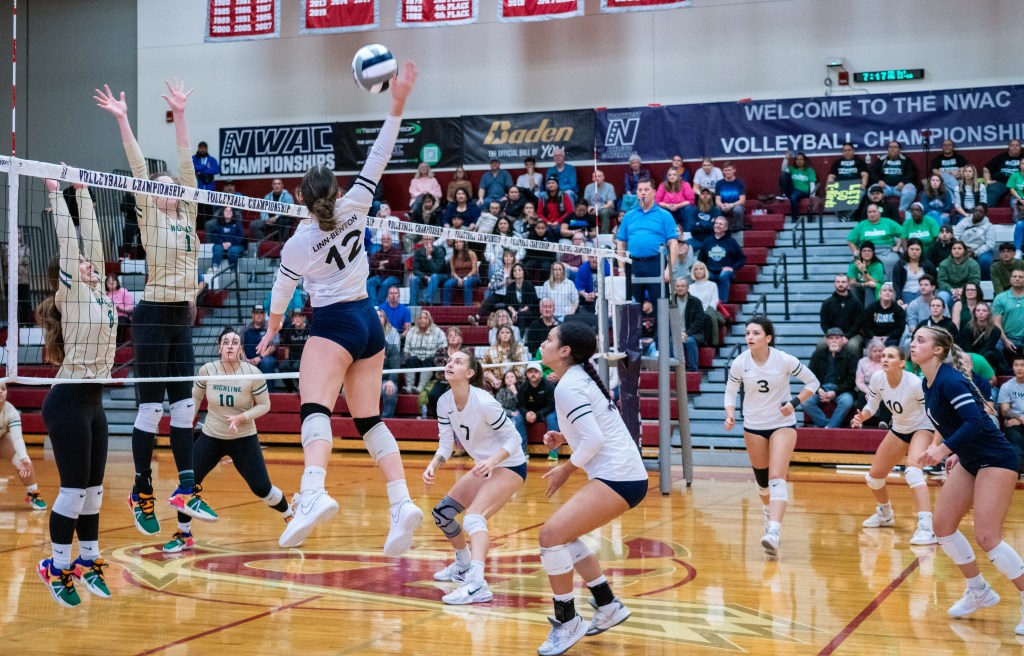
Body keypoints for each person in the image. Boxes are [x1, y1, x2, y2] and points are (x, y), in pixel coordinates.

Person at [257, 61, 422, 552]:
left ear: (303, 199)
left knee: (314, 408)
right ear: (334, 192)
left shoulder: (297, 243)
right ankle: (401, 503)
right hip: (369, 321)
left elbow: (282, 297)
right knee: (369, 420)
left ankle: (312, 494)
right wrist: (397, 102)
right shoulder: (357, 204)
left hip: (332, 324)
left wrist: (270, 332)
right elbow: (380, 153)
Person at [96, 79, 216, 535]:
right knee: (150, 411)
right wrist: (124, 120)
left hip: (179, 318)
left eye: (172, 186)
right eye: (162, 186)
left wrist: (181, 114)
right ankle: (141, 488)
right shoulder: (149, 212)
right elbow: (139, 167)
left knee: (185, 409)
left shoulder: (187, 213)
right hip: (150, 314)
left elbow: (186, 165)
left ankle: (186, 486)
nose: (169, 188)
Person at [534, 322, 649, 654]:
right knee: (564, 537)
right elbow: (595, 430)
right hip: (624, 474)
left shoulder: (569, 386)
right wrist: (564, 437)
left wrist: (566, 469)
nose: (544, 342)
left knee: (550, 536)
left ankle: (568, 621)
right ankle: (607, 604)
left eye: (550, 339)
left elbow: (596, 439)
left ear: (565, 351)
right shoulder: (576, 379)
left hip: (619, 476)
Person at [35, 179, 116, 607]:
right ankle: (56, 566)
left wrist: (83, 192)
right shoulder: (72, 294)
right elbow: (71, 241)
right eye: (81, 262)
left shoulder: (100, 292)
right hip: (67, 401)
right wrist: (56, 193)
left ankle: (88, 561)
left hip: (93, 402)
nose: (88, 262)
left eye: (89, 262)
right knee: (72, 491)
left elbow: (94, 240)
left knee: (94, 490)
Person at [913, 325, 1024, 634]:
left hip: (997, 459)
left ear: (937, 350)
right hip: (971, 459)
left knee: (987, 536)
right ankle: (979, 591)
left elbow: (977, 421)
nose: (913, 344)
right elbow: (953, 423)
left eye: (920, 340)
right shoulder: (928, 382)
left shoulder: (950, 380)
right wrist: (953, 450)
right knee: (942, 527)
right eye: (913, 339)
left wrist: (944, 448)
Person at [164, 329, 292, 553]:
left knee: (262, 488)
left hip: (243, 438)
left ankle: (290, 516)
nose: (231, 346)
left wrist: (243, 417)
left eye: (235, 342)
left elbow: (265, 405)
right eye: (226, 342)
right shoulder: (208, 370)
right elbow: (195, 398)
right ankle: (184, 534)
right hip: (211, 436)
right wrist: (186, 420)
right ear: (219, 347)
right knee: (187, 485)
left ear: (241, 348)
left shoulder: (252, 373)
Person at [423, 350, 527, 605]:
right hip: (484, 467)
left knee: (473, 517)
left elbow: (515, 439)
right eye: (449, 361)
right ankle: (462, 565)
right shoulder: (444, 402)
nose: (450, 364)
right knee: (443, 514)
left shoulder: (484, 402)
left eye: (457, 362)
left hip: (509, 466)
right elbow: (446, 445)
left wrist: (492, 461)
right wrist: (434, 464)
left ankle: (478, 583)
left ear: (469, 373)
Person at [724, 316, 819, 557]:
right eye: (747, 333)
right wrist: (730, 414)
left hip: (782, 424)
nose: (749, 337)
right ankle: (768, 512)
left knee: (778, 476)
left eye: (755, 333)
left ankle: (774, 531)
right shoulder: (740, 363)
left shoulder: (784, 360)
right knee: (763, 481)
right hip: (754, 424)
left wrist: (795, 403)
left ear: (768, 338)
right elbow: (731, 391)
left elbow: (813, 382)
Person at [851, 345, 938, 544]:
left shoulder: (915, 383)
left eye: (890, 356)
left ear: (902, 363)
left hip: (922, 427)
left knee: (913, 472)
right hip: (899, 428)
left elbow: (934, 412)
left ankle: (927, 527)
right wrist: (862, 417)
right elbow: (871, 406)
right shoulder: (877, 379)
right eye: (883, 356)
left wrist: (936, 443)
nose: (884, 359)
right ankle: (885, 514)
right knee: (874, 477)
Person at [616, 178, 678, 304]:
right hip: (633, 264)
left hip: (656, 263)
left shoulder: (664, 215)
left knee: (661, 306)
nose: (643, 193)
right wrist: (621, 270)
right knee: (631, 308)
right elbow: (621, 243)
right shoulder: (628, 216)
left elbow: (673, 243)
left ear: (654, 192)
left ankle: (662, 324)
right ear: (636, 193)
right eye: (640, 190)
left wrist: (668, 269)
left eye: (646, 189)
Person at [0, 382, 46, 510]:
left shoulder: (11, 411)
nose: (0, 391)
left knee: (23, 460)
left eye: (3, 389)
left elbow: (17, 438)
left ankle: (34, 495)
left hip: (2, 441)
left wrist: (24, 457)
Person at [803, 328, 857, 428]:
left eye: (837, 338)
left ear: (842, 340)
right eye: (831, 338)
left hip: (841, 390)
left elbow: (851, 379)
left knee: (847, 401)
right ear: (827, 341)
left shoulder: (851, 356)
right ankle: (828, 425)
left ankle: (829, 428)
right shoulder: (817, 354)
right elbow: (809, 375)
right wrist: (819, 389)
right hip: (820, 389)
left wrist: (835, 392)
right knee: (805, 401)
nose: (834, 341)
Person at [846, 204, 904, 280]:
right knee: (855, 262)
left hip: (886, 251)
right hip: (866, 251)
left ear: (879, 212)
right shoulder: (862, 224)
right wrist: (855, 251)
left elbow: (904, 233)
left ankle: (888, 284)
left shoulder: (888, 222)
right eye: (869, 212)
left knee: (892, 260)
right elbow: (850, 240)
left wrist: (898, 246)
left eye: (874, 211)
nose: (871, 214)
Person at [517, 362, 559, 460]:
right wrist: (526, 413)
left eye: (536, 372)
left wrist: (537, 414)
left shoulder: (549, 386)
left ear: (540, 374)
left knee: (552, 418)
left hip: (546, 413)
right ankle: (522, 452)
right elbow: (520, 405)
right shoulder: (523, 388)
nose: (533, 374)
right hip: (530, 413)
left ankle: (553, 453)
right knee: (518, 418)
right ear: (527, 375)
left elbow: (551, 406)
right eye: (530, 372)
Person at [698, 216, 745, 303]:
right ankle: (707, 303)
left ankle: (722, 303)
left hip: (725, 271)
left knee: (724, 275)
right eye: (716, 223)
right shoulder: (707, 241)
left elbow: (741, 259)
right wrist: (704, 269)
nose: (717, 225)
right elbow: (700, 259)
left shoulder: (731, 242)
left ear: (725, 228)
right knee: (704, 275)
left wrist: (733, 268)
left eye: (721, 224)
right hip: (711, 271)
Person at [403, 308, 448, 394]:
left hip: (431, 359)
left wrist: (436, 358)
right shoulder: (411, 331)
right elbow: (406, 349)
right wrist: (408, 356)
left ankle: (420, 388)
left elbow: (443, 347)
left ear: (430, 320)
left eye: (425, 318)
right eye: (420, 318)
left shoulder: (437, 331)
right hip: (416, 358)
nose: (422, 320)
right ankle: (409, 387)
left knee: (429, 360)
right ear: (417, 320)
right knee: (410, 360)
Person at [819, 273, 864, 355]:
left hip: (852, 335)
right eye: (838, 282)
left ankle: (853, 368)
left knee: (852, 346)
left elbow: (858, 323)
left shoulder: (856, 303)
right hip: (832, 334)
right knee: (821, 345)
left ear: (848, 283)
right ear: (834, 283)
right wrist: (832, 337)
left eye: (843, 282)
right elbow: (824, 323)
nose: (840, 284)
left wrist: (846, 337)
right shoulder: (827, 303)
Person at [956, 302, 1003, 375]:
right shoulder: (968, 329)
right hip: (970, 356)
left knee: (990, 354)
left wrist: (977, 360)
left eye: (984, 311)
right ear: (974, 313)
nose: (981, 313)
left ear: (988, 313)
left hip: (986, 356)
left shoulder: (995, 331)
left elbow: (988, 347)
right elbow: (967, 348)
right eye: (978, 310)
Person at [870, 140, 918, 212]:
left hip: (899, 188)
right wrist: (878, 181)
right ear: (887, 149)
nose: (892, 149)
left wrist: (903, 182)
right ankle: (879, 211)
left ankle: (902, 211)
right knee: (871, 190)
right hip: (885, 188)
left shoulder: (905, 160)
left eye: (895, 147)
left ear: (899, 150)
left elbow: (911, 172)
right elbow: (872, 172)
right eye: (890, 147)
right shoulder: (882, 159)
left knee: (911, 190)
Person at [953, 204, 996, 279]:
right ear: (973, 211)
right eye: (976, 211)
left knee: (985, 260)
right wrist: (963, 248)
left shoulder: (989, 226)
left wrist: (975, 252)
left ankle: (984, 281)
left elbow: (990, 244)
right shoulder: (965, 221)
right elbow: (956, 235)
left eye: (980, 212)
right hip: (963, 247)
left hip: (981, 250)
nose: (977, 213)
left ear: (984, 214)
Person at [672, 278, 705, 372]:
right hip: (675, 333)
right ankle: (671, 368)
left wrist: (686, 333)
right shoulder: (670, 302)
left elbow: (699, 321)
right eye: (677, 286)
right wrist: (677, 334)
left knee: (689, 341)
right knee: (669, 341)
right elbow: (667, 321)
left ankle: (693, 369)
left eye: (682, 286)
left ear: (687, 288)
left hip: (693, 333)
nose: (680, 288)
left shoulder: (696, 302)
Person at [997, 352, 1024, 471]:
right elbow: (1005, 411)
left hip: (1017, 420)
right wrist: (1021, 418)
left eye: (1022, 365)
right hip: (1014, 422)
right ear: (1012, 367)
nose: (1019, 368)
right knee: (1016, 440)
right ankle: (1016, 471)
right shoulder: (1007, 386)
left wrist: (1021, 420)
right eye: (1016, 365)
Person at [937, 240, 981, 310]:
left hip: (968, 290)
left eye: (959, 248)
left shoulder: (973, 264)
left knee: (971, 294)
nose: (956, 250)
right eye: (954, 248)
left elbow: (975, 280)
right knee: (942, 296)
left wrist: (963, 290)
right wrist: (951, 290)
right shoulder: (943, 264)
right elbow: (941, 281)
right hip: (949, 291)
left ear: (964, 251)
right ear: (951, 250)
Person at [242, 304, 279, 389]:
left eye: (261, 313)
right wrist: (245, 359)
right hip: (248, 358)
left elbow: (274, 345)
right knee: (240, 363)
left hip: (265, 358)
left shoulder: (270, 328)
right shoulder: (245, 329)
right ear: (252, 314)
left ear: (264, 314)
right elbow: (239, 346)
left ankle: (269, 393)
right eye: (256, 313)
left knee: (267, 363)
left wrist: (259, 358)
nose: (259, 315)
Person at [689, 261, 725, 348]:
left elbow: (714, 301)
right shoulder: (690, 287)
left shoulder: (712, 285)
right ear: (693, 272)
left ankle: (708, 341)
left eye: (701, 269)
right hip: (695, 311)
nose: (698, 271)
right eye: (696, 269)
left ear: (705, 271)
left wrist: (705, 311)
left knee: (706, 317)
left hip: (709, 310)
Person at [892, 238, 937, 306]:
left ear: (921, 250)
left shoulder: (928, 264)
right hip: (906, 292)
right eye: (912, 249)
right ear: (907, 250)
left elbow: (934, 280)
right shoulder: (900, 265)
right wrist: (898, 298)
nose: (914, 252)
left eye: (917, 249)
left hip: (924, 293)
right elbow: (896, 283)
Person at [205, 206, 246, 279]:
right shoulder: (217, 224)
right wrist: (222, 243)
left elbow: (241, 237)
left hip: (236, 246)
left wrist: (230, 243)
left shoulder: (238, 224)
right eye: (226, 211)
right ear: (222, 213)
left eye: (230, 211)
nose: (228, 212)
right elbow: (214, 236)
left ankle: (233, 270)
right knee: (217, 247)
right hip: (222, 247)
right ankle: (214, 269)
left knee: (233, 250)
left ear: (233, 213)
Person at [482, 325, 528, 390]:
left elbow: (522, 368)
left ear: (511, 335)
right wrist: (495, 380)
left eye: (507, 332)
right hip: (496, 382)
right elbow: (484, 369)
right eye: (502, 332)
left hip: (515, 382)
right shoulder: (490, 350)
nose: (505, 334)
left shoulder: (519, 349)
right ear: (498, 335)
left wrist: (507, 380)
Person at [366, 232, 404, 306]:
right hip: (381, 276)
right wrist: (385, 263)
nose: (386, 240)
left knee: (385, 283)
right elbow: (372, 263)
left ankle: (380, 306)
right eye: (384, 239)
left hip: (394, 277)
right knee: (370, 282)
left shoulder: (396, 251)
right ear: (381, 241)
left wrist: (381, 264)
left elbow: (394, 262)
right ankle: (374, 305)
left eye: (388, 239)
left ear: (391, 241)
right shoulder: (378, 253)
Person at [864, 282, 906, 346]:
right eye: (884, 290)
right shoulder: (871, 307)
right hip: (873, 337)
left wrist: (887, 337)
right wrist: (873, 337)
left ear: (893, 295)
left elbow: (900, 328)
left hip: (891, 338)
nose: (887, 292)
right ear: (880, 294)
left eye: (890, 291)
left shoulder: (898, 309)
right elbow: (866, 326)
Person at [983, 139, 1022, 207]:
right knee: (992, 191)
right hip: (1002, 182)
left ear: (1020, 147)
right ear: (1008, 147)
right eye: (1012, 145)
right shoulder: (1001, 157)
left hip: (1018, 183)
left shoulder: (1022, 158)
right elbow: (986, 168)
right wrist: (987, 180)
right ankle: (986, 213)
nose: (1014, 147)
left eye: (1017, 145)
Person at [279, 309, 310, 393]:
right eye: (295, 317)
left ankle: (300, 389)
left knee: (296, 367)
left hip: (305, 359)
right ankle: (290, 388)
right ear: (292, 319)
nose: (297, 319)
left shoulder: (309, 329)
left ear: (303, 318)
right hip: (292, 357)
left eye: (299, 316)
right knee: (283, 367)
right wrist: (286, 359)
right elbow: (287, 346)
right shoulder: (289, 329)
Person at [778, 151, 817, 220]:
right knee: (784, 174)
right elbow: (783, 169)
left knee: (793, 197)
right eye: (797, 159)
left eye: (801, 159)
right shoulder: (792, 168)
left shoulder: (809, 170)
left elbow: (812, 183)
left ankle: (794, 218)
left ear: (804, 160)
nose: (799, 161)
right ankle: (784, 194)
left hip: (803, 191)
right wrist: (786, 158)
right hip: (792, 189)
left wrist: (812, 195)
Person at [993, 269, 1024, 355]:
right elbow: (996, 323)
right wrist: (1006, 341)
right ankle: (1005, 369)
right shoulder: (1000, 298)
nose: (1017, 279)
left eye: (1020, 277)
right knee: (994, 348)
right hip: (1006, 337)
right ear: (1010, 279)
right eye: (1014, 276)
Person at [443, 239, 480, 307]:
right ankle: (446, 307)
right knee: (446, 284)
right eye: (456, 242)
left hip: (472, 276)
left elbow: (474, 270)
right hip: (458, 277)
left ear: (464, 243)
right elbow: (453, 272)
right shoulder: (452, 257)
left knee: (466, 283)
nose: (458, 244)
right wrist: (459, 279)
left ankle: (468, 308)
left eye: (460, 242)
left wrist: (465, 278)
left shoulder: (471, 253)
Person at [847, 241, 884, 308]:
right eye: (864, 251)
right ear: (860, 253)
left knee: (869, 287)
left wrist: (864, 271)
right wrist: (863, 284)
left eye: (869, 251)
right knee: (852, 288)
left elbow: (874, 282)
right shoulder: (854, 265)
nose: (867, 252)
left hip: (874, 290)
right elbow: (852, 283)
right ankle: (857, 312)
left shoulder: (878, 265)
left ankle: (868, 312)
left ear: (873, 253)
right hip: (859, 289)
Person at [192, 140, 220, 227]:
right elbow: (193, 167)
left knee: (209, 210)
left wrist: (201, 172)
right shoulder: (193, 158)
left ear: (207, 148)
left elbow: (216, 170)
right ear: (198, 148)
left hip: (209, 188)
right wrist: (205, 167)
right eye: (201, 147)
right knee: (198, 210)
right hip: (198, 188)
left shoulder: (212, 160)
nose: (202, 149)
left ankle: (208, 227)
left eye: (204, 148)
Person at [714, 161, 747, 233]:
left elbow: (742, 200)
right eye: (725, 170)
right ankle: (718, 228)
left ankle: (738, 227)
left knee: (738, 209)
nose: (727, 172)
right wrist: (722, 205)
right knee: (716, 208)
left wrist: (731, 205)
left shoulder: (740, 182)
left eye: (729, 170)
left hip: (735, 206)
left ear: (734, 170)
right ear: (723, 171)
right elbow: (717, 200)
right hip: (723, 206)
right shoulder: (719, 183)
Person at [582, 169, 617, 233]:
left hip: (606, 208)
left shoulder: (609, 187)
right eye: (595, 177)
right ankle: (588, 233)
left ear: (603, 177)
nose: (597, 178)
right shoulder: (588, 187)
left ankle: (604, 234)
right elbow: (586, 202)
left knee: (604, 212)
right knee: (584, 211)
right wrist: (589, 208)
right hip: (593, 208)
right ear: (592, 178)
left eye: (599, 176)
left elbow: (610, 204)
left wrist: (598, 208)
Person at [105, 274, 134, 345]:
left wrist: (119, 307)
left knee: (120, 323)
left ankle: (117, 344)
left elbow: (130, 308)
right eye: (109, 281)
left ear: (117, 282)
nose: (111, 282)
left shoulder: (123, 291)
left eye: (113, 280)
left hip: (122, 317)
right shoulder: (104, 294)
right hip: (108, 317)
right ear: (106, 283)